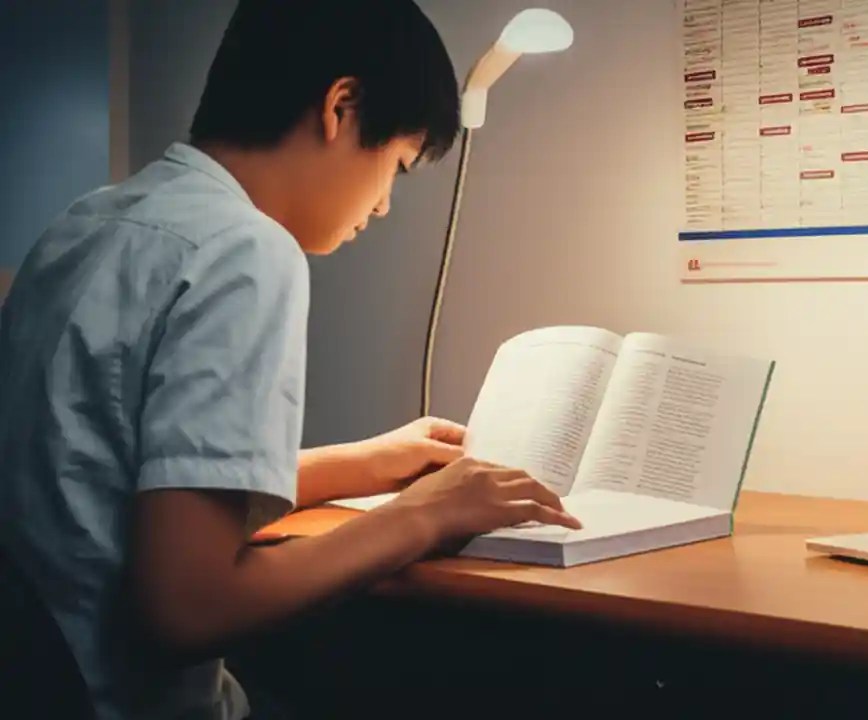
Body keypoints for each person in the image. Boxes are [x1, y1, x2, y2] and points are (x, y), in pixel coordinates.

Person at [0, 1, 581, 718]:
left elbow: (109, 482)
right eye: (395, 165)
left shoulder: (88, 222)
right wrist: (420, 517)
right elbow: (187, 607)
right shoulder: (246, 251)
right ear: (342, 107)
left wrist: (361, 462)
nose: (384, 205)